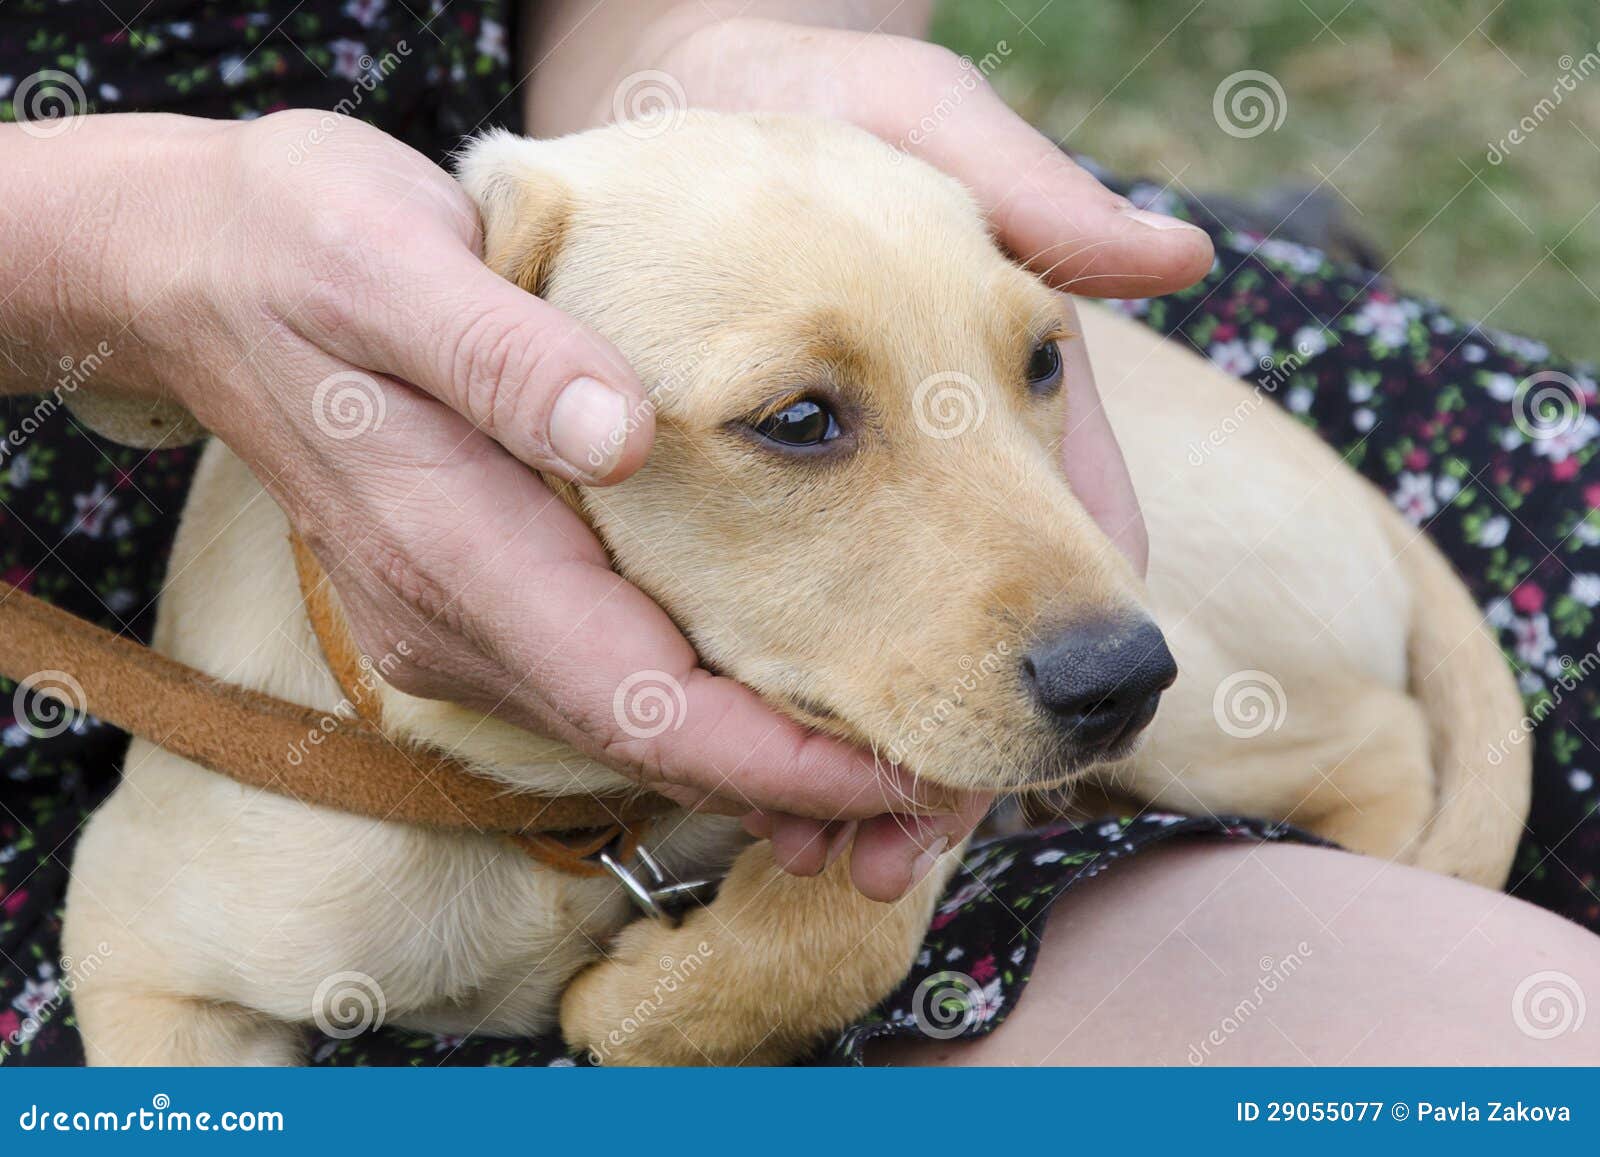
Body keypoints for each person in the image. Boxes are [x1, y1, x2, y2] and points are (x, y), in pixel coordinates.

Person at [1, 1, 1595, 1066]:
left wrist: (726, 52)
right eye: (801, 423)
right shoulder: (294, 864)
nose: (1098, 616)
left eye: (1034, 362)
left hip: (783, 229)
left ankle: (1348, 776)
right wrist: (106, 258)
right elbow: (160, 966)